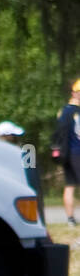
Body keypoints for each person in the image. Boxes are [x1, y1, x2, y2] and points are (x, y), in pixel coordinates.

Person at [52, 80, 80, 225]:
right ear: (74, 93)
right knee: (71, 186)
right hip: (78, 152)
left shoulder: (63, 111)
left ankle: (70, 219)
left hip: (65, 153)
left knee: (69, 186)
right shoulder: (77, 112)